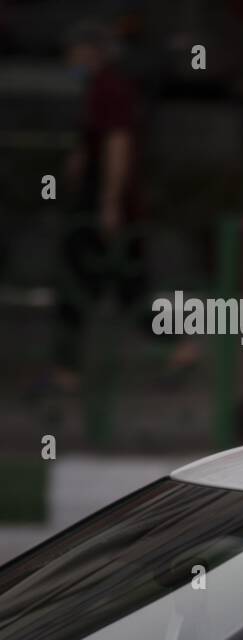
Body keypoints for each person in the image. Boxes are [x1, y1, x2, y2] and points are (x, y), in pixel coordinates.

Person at [48, 21, 198, 396]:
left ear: (92, 51)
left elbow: (118, 145)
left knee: (85, 283)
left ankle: (69, 371)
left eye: (75, 50)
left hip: (105, 209)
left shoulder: (111, 87)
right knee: (120, 286)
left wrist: (109, 204)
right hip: (103, 206)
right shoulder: (100, 87)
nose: (70, 59)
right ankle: (177, 348)